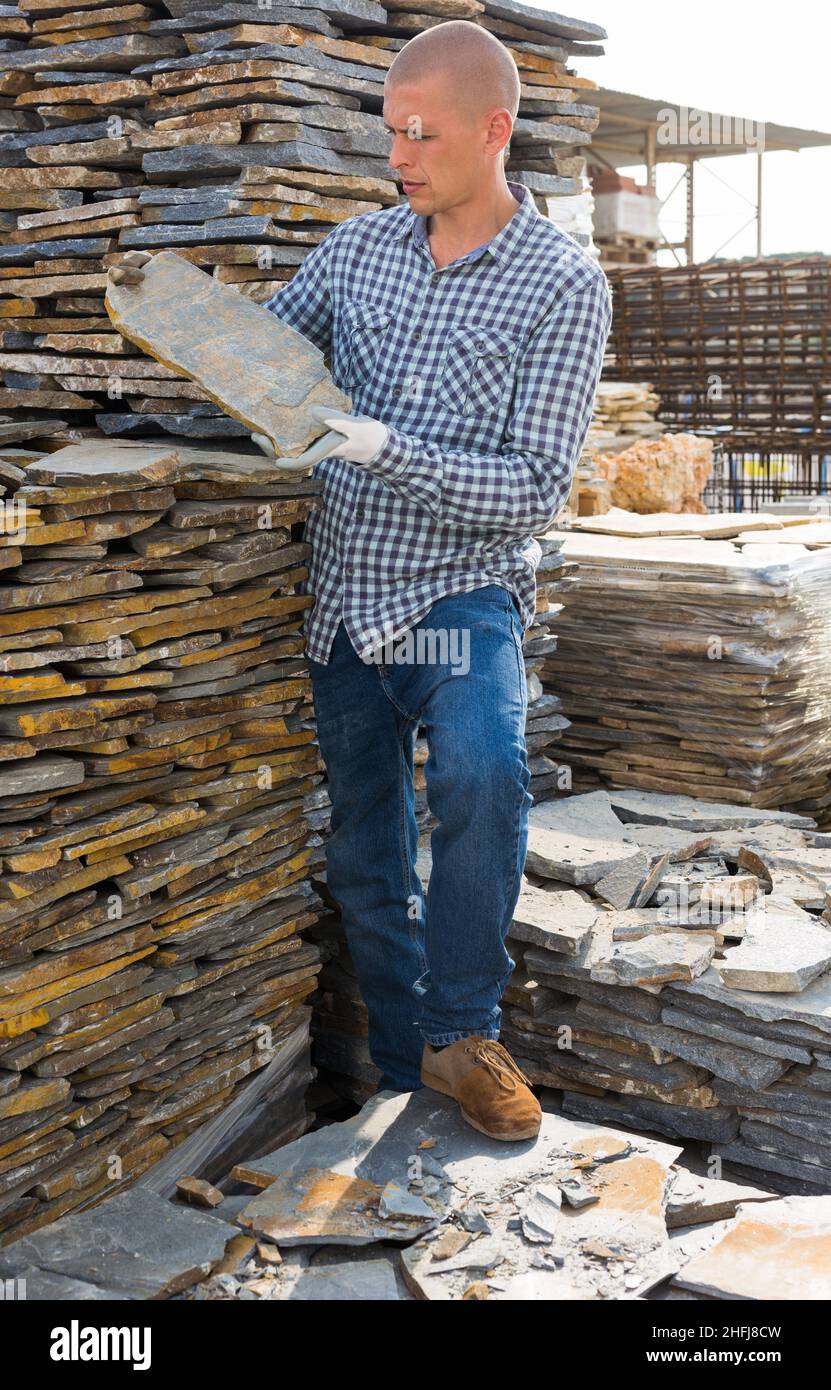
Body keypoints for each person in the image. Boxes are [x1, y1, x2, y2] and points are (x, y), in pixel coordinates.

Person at [108, 20, 612, 1143]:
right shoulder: (359, 251)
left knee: (483, 769)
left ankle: (461, 1030)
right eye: (391, 133)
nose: (400, 157)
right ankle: (398, 1072)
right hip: (345, 600)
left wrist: (381, 445)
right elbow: (260, 365)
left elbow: (532, 488)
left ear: (495, 130)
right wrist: (168, 323)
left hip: (451, 605)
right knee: (364, 844)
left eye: (420, 134)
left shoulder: (565, 284)